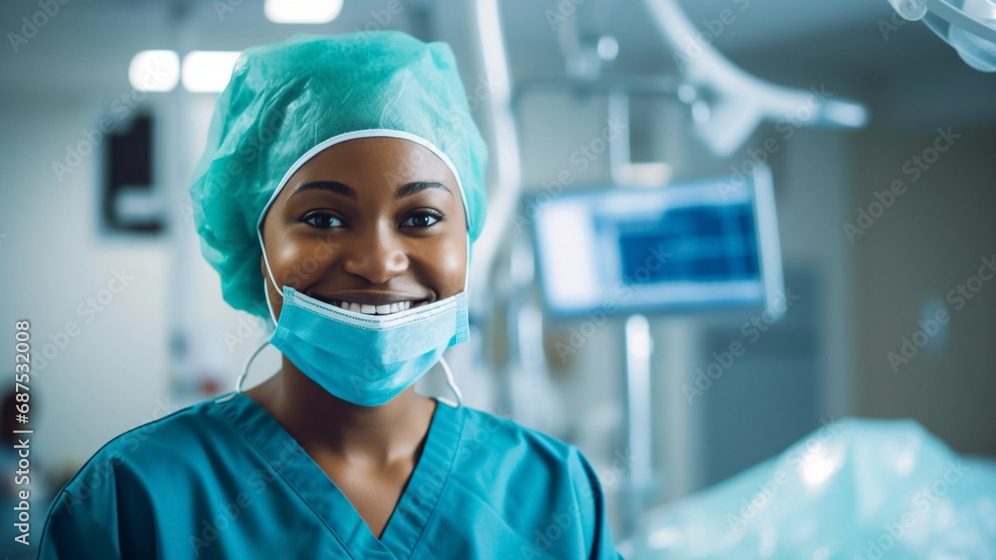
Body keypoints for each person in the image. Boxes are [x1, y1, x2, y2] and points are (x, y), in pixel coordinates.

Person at [37, 31, 623, 559]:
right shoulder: (133, 502)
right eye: (323, 218)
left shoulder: (555, 497)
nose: (379, 263)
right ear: (255, 243)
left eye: (421, 218)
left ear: (467, 242)